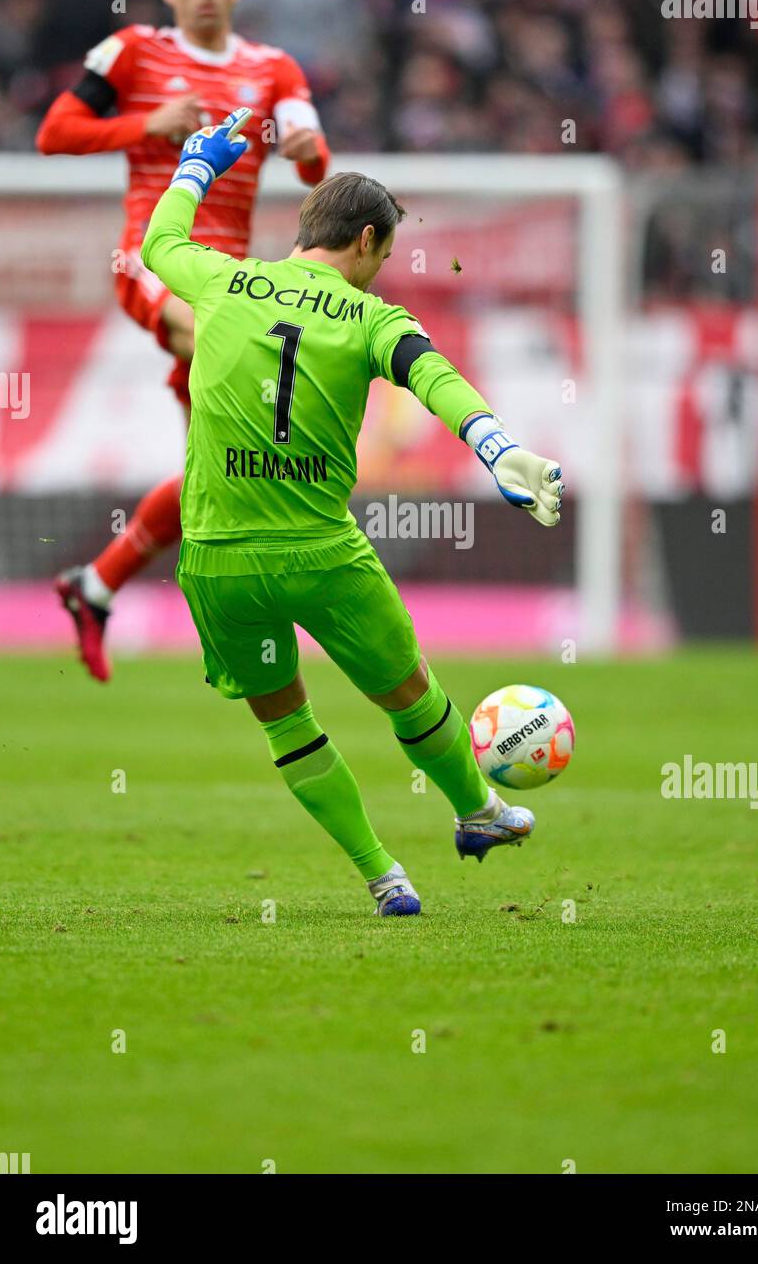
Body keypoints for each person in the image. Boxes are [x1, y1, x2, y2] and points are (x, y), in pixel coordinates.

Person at [138, 109, 563, 916]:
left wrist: (195, 166)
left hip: (219, 560)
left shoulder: (223, 280)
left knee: (285, 723)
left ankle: (382, 875)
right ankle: (476, 811)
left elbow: (158, 246)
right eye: (386, 254)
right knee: (410, 695)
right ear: (365, 241)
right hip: (322, 558)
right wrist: (495, 443)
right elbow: (432, 375)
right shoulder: (374, 319)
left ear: (306, 230)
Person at [36, 0, 330, 681]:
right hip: (150, 259)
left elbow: (311, 157)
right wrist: (148, 125)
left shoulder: (272, 69)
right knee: (244, 389)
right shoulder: (133, 51)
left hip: (227, 281)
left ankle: (94, 584)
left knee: (220, 470)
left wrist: (307, 156)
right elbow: (54, 131)